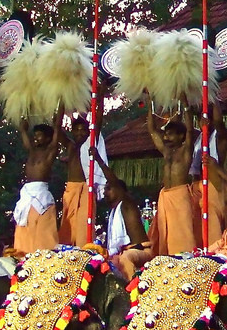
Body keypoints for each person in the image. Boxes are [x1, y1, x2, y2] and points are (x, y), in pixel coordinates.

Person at [144, 95, 199, 256]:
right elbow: (152, 130)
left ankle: (186, 263)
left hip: (180, 195)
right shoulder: (166, 152)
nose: (166, 137)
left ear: (181, 136)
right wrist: (150, 102)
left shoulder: (186, 150)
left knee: (183, 234)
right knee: (164, 236)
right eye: (166, 134)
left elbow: (189, 129)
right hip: (165, 196)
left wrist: (185, 101)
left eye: (170, 134)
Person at [92, 146, 149, 279]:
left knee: (124, 259)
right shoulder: (112, 213)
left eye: (109, 188)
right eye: (105, 189)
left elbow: (114, 181)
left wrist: (99, 160)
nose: (105, 192)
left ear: (119, 190)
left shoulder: (127, 205)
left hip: (139, 252)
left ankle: (131, 291)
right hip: (121, 255)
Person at [13, 114, 62, 255]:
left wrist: (60, 110)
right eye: (35, 135)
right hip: (27, 194)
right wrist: (23, 128)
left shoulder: (50, 151)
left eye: (39, 135)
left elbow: (57, 129)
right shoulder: (32, 151)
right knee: (23, 231)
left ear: (48, 138)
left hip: (41, 194)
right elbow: (24, 135)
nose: (36, 138)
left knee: (43, 235)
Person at [189, 103, 227, 247]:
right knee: (197, 228)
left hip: (213, 185)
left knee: (213, 227)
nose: (203, 121)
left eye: (207, 117)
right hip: (197, 187)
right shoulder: (198, 137)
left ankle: (215, 257)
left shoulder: (219, 136)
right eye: (201, 118)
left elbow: (219, 123)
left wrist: (214, 98)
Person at [57, 116, 98, 248]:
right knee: (67, 229)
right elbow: (57, 129)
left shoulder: (91, 146)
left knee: (84, 227)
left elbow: (98, 122)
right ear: (72, 131)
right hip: (71, 190)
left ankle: (85, 257)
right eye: (77, 130)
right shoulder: (70, 147)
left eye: (83, 130)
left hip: (86, 190)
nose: (80, 133)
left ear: (88, 132)